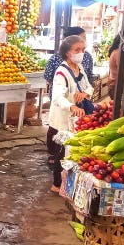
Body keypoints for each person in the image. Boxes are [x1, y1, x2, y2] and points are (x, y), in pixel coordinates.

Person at [47, 35, 93, 193]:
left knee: (71, 151)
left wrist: (84, 94)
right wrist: (72, 106)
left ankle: (68, 182)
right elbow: (58, 97)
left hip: (76, 118)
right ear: (68, 52)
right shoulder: (61, 72)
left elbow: (89, 87)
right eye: (77, 50)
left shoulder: (80, 69)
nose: (81, 53)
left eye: (83, 50)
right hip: (63, 117)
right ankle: (57, 184)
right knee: (61, 152)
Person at [43, 27, 96, 96]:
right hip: (61, 97)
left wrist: (84, 92)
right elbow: (48, 77)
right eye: (83, 37)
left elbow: (89, 77)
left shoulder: (87, 57)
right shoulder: (55, 58)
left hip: (81, 98)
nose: (85, 40)